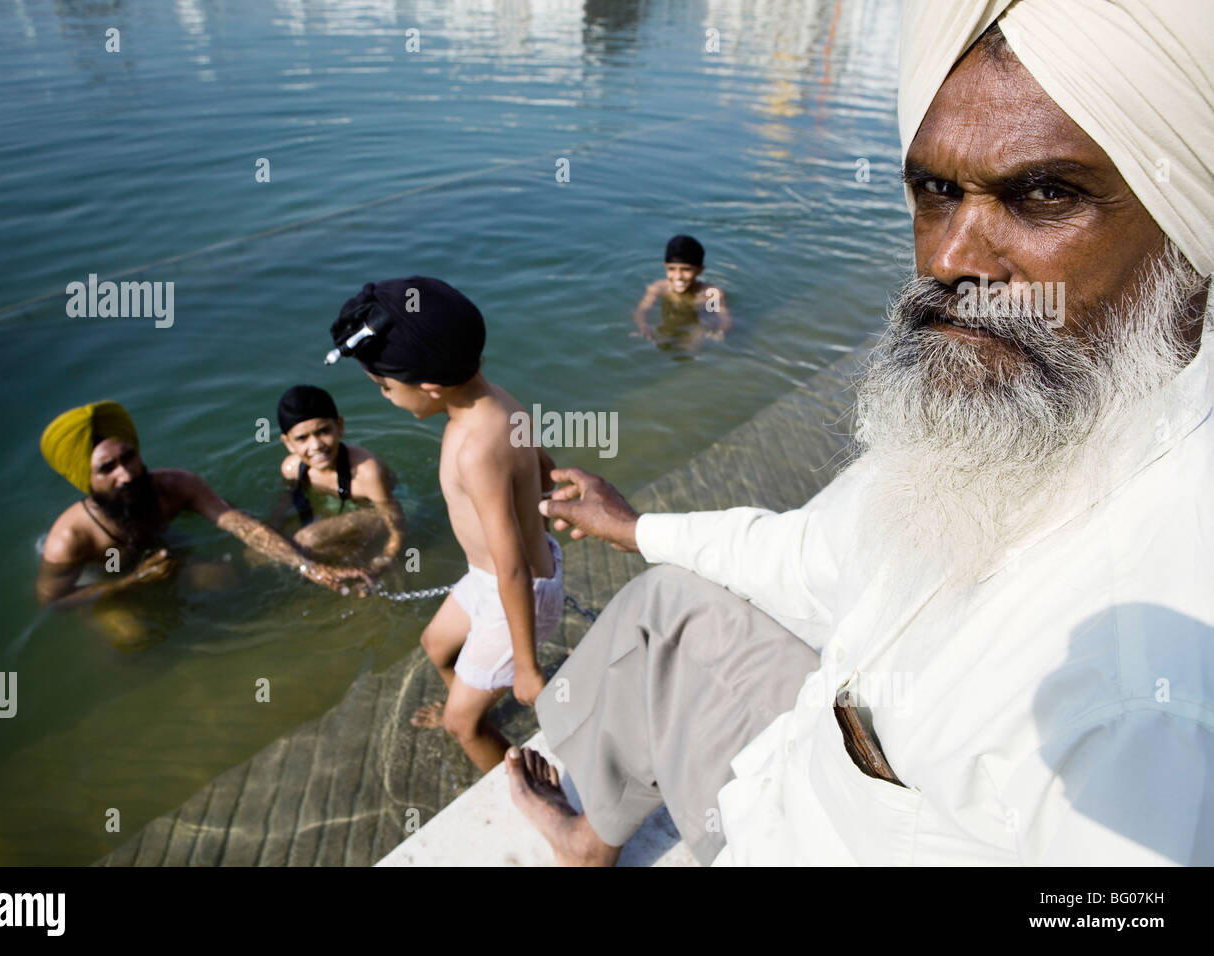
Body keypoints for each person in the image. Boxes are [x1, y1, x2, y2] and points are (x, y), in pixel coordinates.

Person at [508, 0, 1214, 866]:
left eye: (1043, 194)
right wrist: (631, 527)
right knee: (669, 600)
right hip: (778, 787)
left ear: (1190, 231)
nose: (954, 257)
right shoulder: (1010, 418)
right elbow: (817, 555)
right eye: (935, 192)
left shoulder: (1142, 697)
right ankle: (595, 833)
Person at [328, 277, 563, 772]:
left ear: (429, 386)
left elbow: (513, 567)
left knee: (462, 726)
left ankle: (508, 773)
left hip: (514, 591)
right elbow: (538, 461)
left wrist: (527, 668)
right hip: (489, 580)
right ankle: (471, 701)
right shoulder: (497, 398)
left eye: (387, 388)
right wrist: (555, 487)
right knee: (436, 644)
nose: (387, 398)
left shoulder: (477, 450)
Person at [36, 401, 370, 641]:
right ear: (85, 478)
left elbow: (240, 524)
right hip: (115, 581)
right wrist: (132, 582)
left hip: (167, 559)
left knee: (226, 580)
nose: (125, 475)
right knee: (133, 639)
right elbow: (53, 599)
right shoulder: (69, 537)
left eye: (129, 458)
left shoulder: (175, 486)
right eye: (107, 469)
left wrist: (308, 567)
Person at [268, 384, 405, 575]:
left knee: (308, 538)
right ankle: (352, 570)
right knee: (274, 547)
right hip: (347, 512)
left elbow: (396, 524)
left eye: (323, 431)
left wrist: (384, 560)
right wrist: (269, 538)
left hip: (384, 511)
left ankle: (363, 570)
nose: (315, 445)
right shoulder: (292, 469)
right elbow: (284, 507)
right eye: (302, 438)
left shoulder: (366, 472)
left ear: (340, 426)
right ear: (288, 443)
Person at [631, 234, 732, 344]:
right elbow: (641, 311)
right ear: (665, 267)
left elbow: (721, 317)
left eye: (686, 269)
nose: (678, 276)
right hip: (670, 321)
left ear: (700, 270)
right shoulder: (659, 288)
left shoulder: (710, 294)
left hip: (697, 324)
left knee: (692, 346)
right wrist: (643, 326)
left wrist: (720, 331)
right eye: (671, 269)